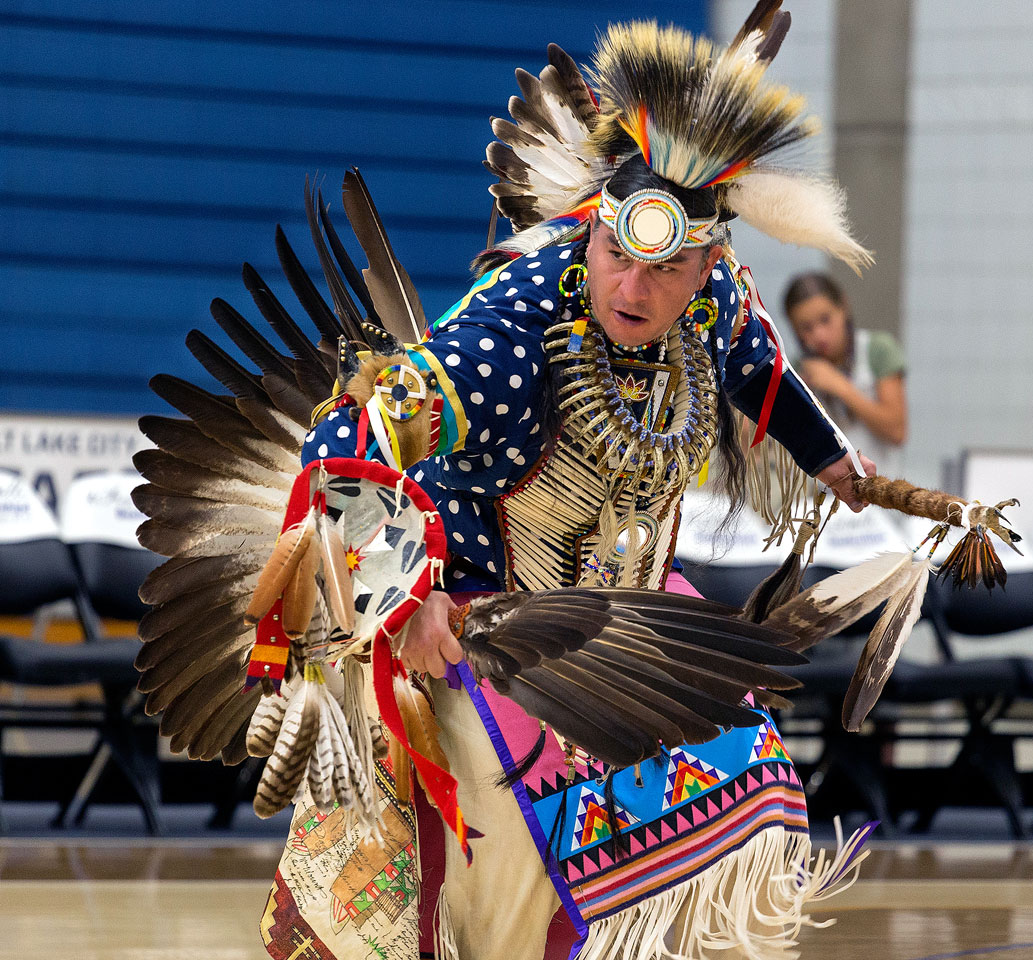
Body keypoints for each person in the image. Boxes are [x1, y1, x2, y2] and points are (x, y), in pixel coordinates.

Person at [133, 11, 892, 960]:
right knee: (505, 838)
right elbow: (342, 441)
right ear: (595, 233)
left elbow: (760, 373)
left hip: (631, 618)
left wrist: (830, 461)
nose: (635, 287)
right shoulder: (510, 336)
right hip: (482, 621)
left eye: (668, 271)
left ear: (708, 265)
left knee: (751, 777)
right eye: (619, 255)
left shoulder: (719, 304)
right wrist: (408, 603)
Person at [784, 272, 908, 478]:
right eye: (806, 328)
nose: (819, 335)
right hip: (821, 499)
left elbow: (897, 431)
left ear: (843, 306)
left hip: (880, 494)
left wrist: (839, 386)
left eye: (825, 319)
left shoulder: (877, 349)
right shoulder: (796, 371)